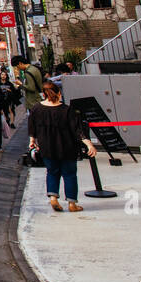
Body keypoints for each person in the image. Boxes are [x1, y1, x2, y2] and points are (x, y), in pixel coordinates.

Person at [29, 81, 96, 212]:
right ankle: (72, 204)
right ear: (59, 93)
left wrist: (32, 140)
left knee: (52, 172)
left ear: (43, 94)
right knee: (70, 174)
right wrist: (89, 144)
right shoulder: (67, 110)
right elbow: (77, 130)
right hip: (67, 147)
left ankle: (53, 197)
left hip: (47, 147)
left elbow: (32, 128)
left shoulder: (36, 109)